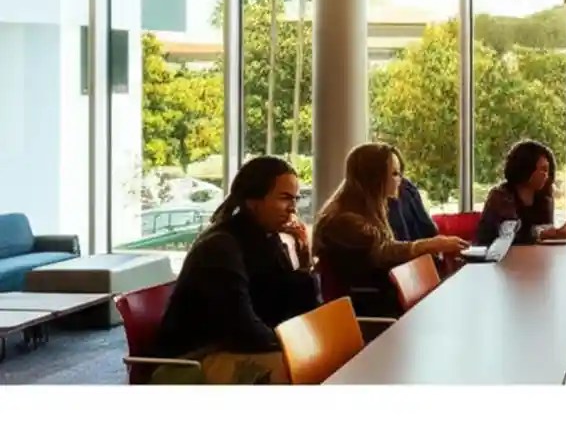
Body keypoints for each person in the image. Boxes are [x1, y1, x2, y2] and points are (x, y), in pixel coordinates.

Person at [151, 156, 319, 385]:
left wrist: (304, 261)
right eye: (284, 198)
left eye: (295, 199)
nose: (293, 208)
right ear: (253, 200)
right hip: (190, 362)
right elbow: (242, 329)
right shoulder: (220, 247)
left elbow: (286, 301)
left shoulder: (265, 238)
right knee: (307, 367)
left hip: (228, 348)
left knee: (321, 355)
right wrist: (297, 343)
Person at [312, 143, 469, 317]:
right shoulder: (344, 220)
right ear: (374, 178)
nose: (401, 180)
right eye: (394, 173)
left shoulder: (371, 209)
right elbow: (381, 252)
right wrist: (430, 245)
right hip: (364, 315)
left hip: (379, 306)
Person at [476, 140, 566, 246]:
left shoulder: (544, 197)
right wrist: (544, 233)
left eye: (548, 171)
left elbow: (545, 231)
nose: (546, 176)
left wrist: (558, 233)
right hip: (496, 258)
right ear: (526, 168)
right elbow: (510, 233)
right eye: (543, 170)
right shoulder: (500, 196)